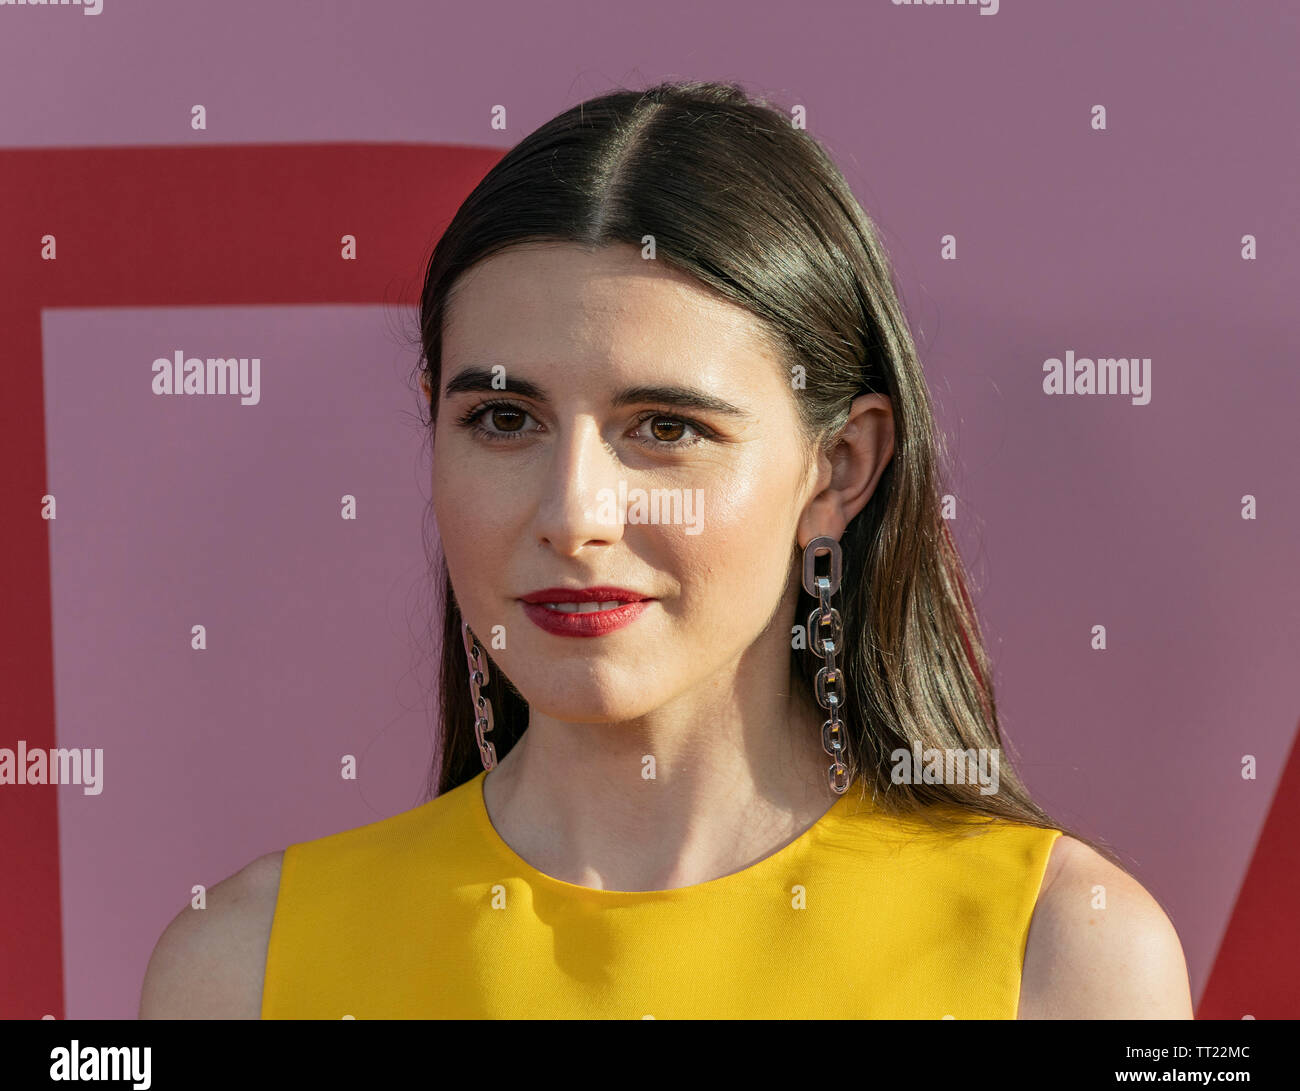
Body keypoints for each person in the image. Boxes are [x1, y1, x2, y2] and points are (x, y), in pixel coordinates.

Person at [140, 79, 1192, 1019]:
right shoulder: (244, 969)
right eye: (504, 420)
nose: (573, 514)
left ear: (838, 470)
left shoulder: (1060, 957)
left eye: (666, 428)